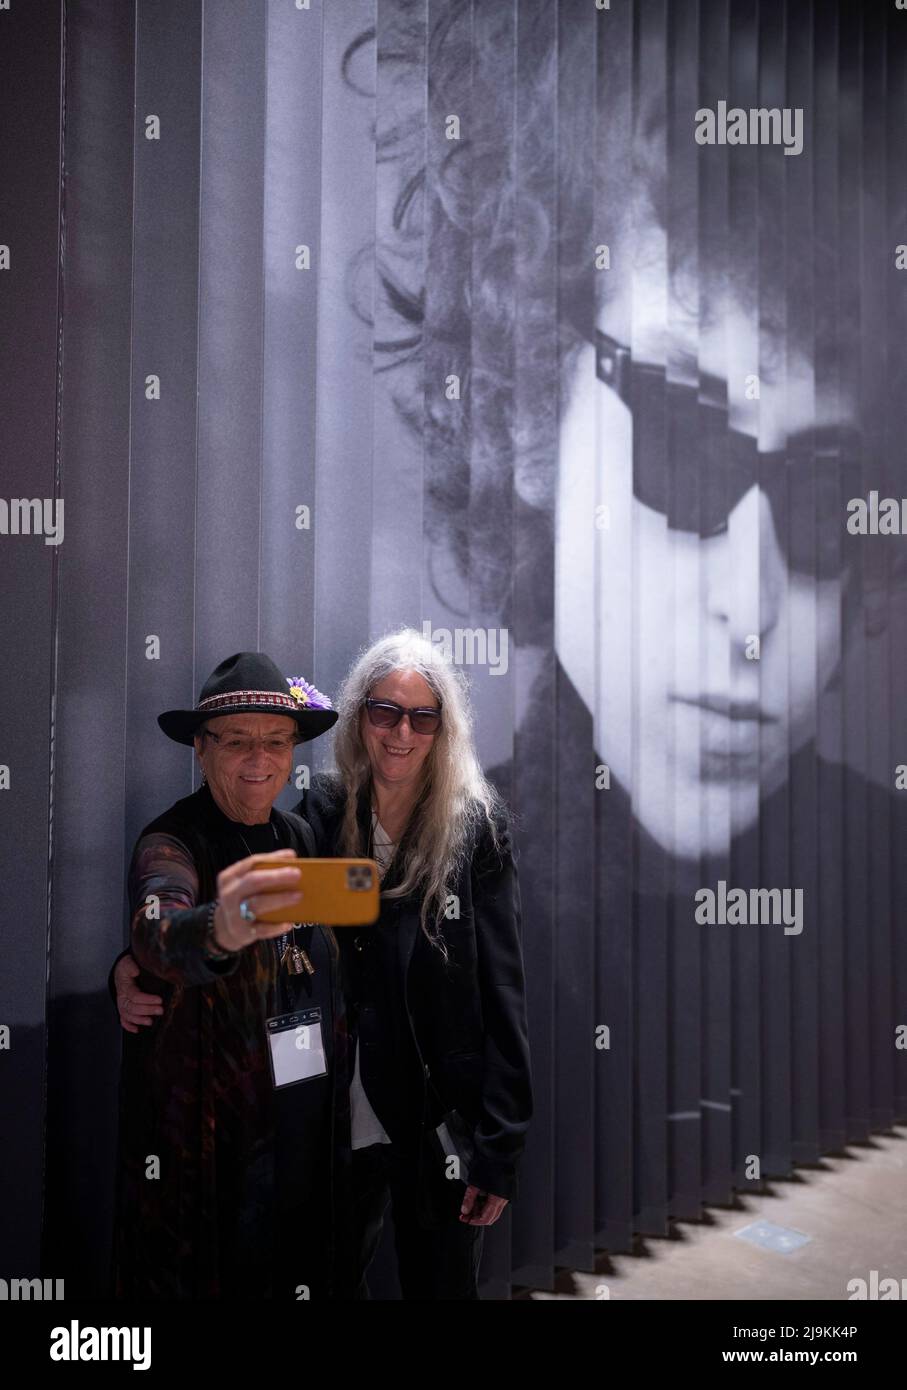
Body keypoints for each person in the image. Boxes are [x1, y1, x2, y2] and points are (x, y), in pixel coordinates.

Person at [299, 628, 532, 1299]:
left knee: (440, 1282)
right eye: (384, 712)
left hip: (438, 1113)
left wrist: (500, 1144)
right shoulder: (321, 810)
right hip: (340, 1105)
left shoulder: (473, 827)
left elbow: (503, 986)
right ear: (359, 715)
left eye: (421, 717)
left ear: (442, 728)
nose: (401, 733)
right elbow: (257, 912)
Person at [110, 651, 349, 1299]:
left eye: (275, 741)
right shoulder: (172, 841)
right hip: (209, 1142)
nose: (259, 759)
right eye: (237, 740)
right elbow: (160, 931)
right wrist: (222, 925)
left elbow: (334, 953)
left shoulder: (299, 835)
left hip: (299, 1115)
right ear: (200, 748)